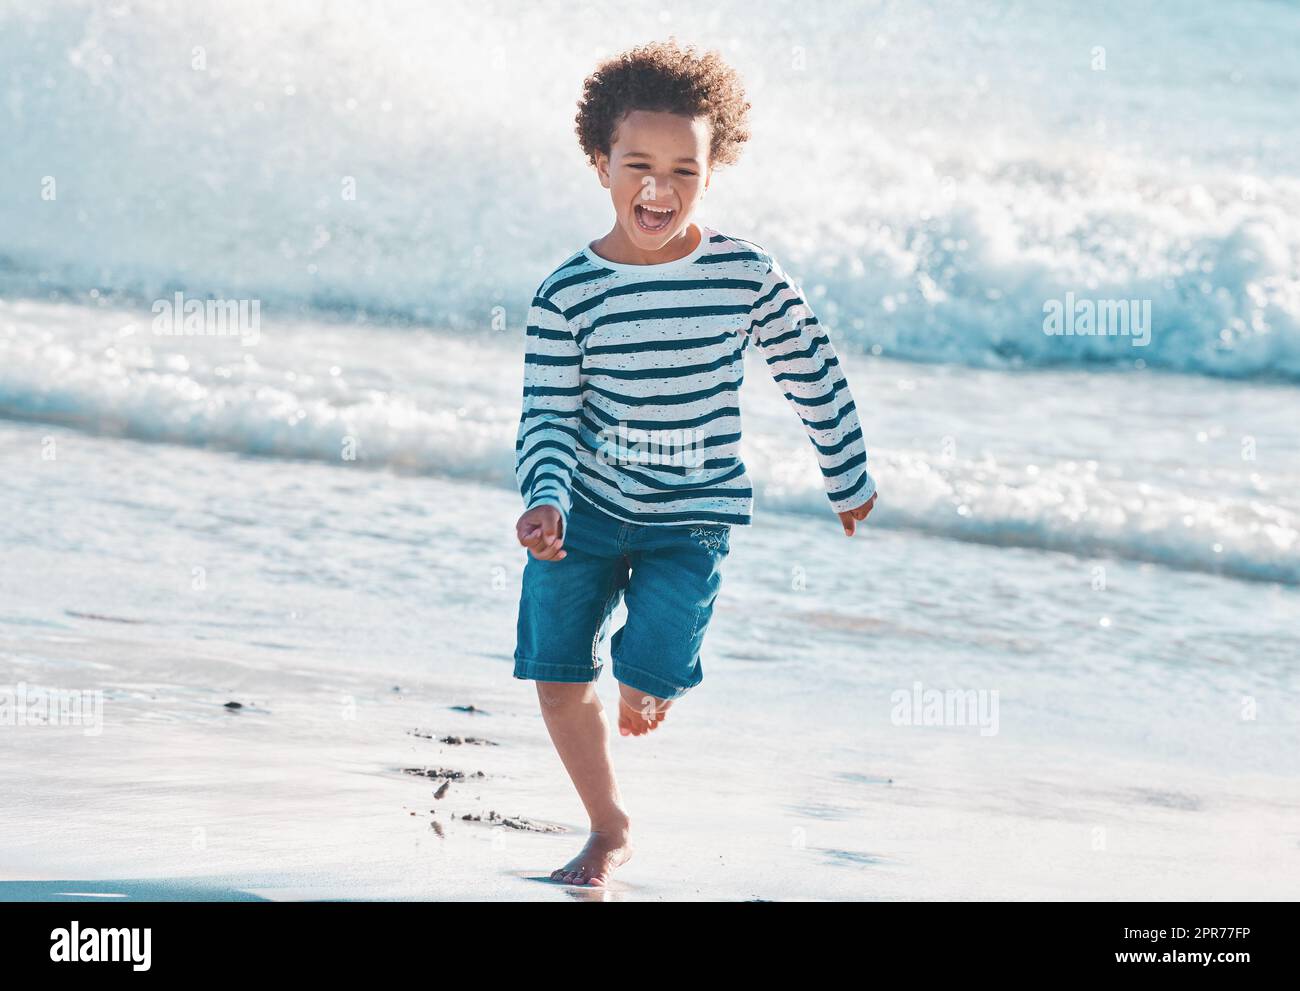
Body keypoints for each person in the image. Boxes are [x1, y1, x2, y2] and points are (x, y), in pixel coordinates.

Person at [512, 38, 878, 887]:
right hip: (586, 511)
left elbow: (810, 366)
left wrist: (847, 474)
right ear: (601, 163)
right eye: (638, 163)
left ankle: (649, 680)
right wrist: (546, 500)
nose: (659, 186)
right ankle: (608, 827)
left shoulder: (742, 274)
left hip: (692, 516)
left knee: (650, 674)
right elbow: (548, 416)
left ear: (713, 172)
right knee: (558, 669)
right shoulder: (568, 292)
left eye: (685, 168)